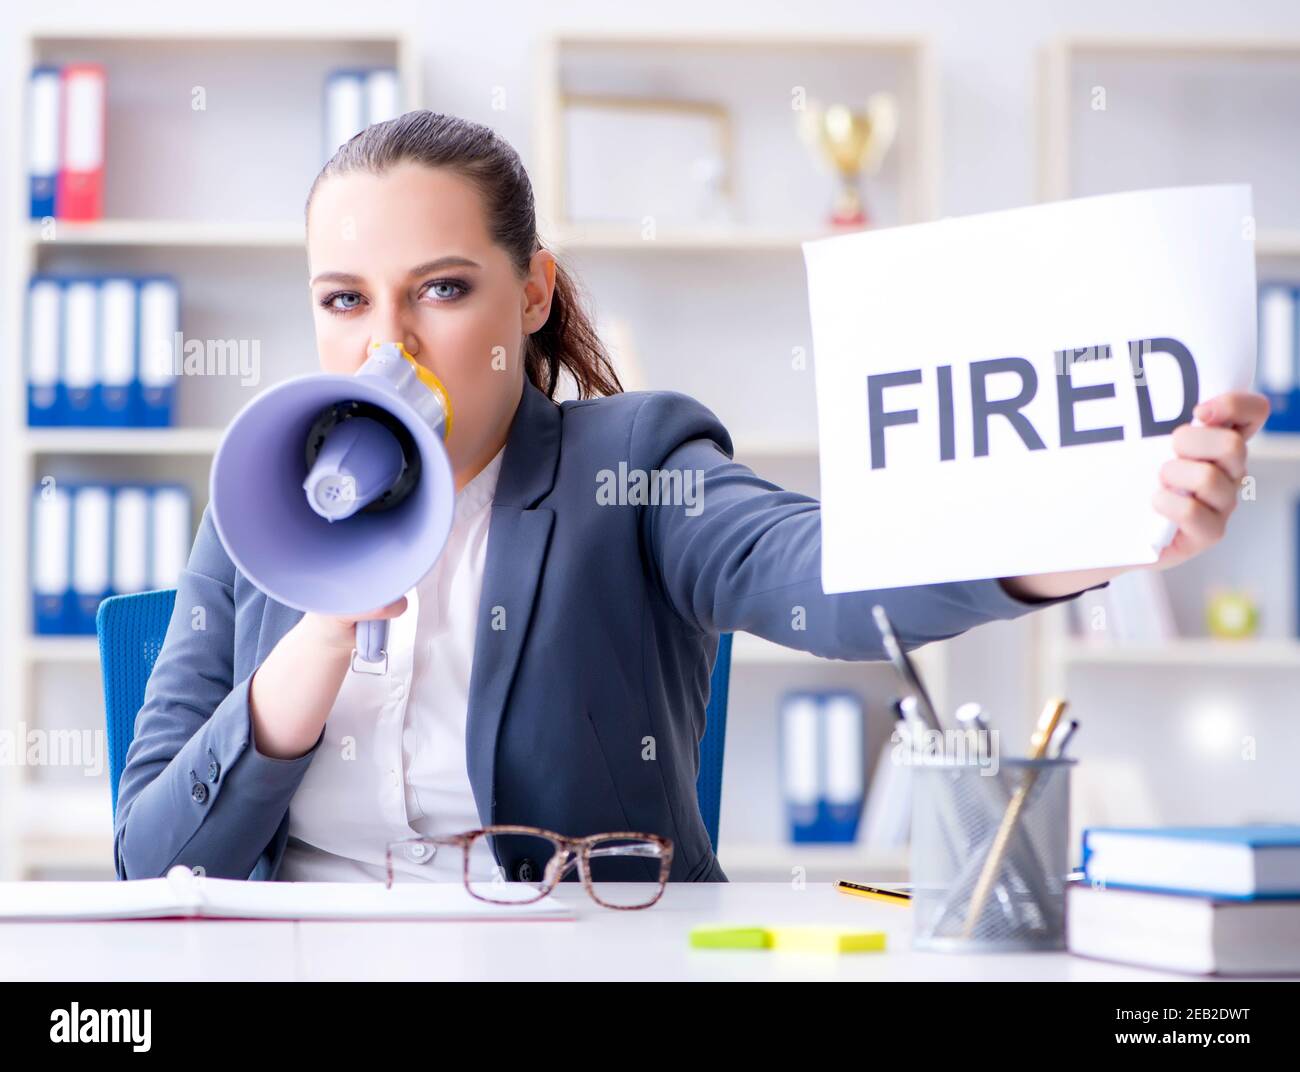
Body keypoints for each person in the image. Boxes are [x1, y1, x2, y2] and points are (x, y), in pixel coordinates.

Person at [113, 111, 1270, 885]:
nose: (390, 343)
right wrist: (324, 617)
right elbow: (154, 856)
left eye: (443, 289)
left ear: (530, 295)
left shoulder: (635, 465)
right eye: (345, 300)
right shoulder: (256, 516)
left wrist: (1088, 526)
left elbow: (824, 579)